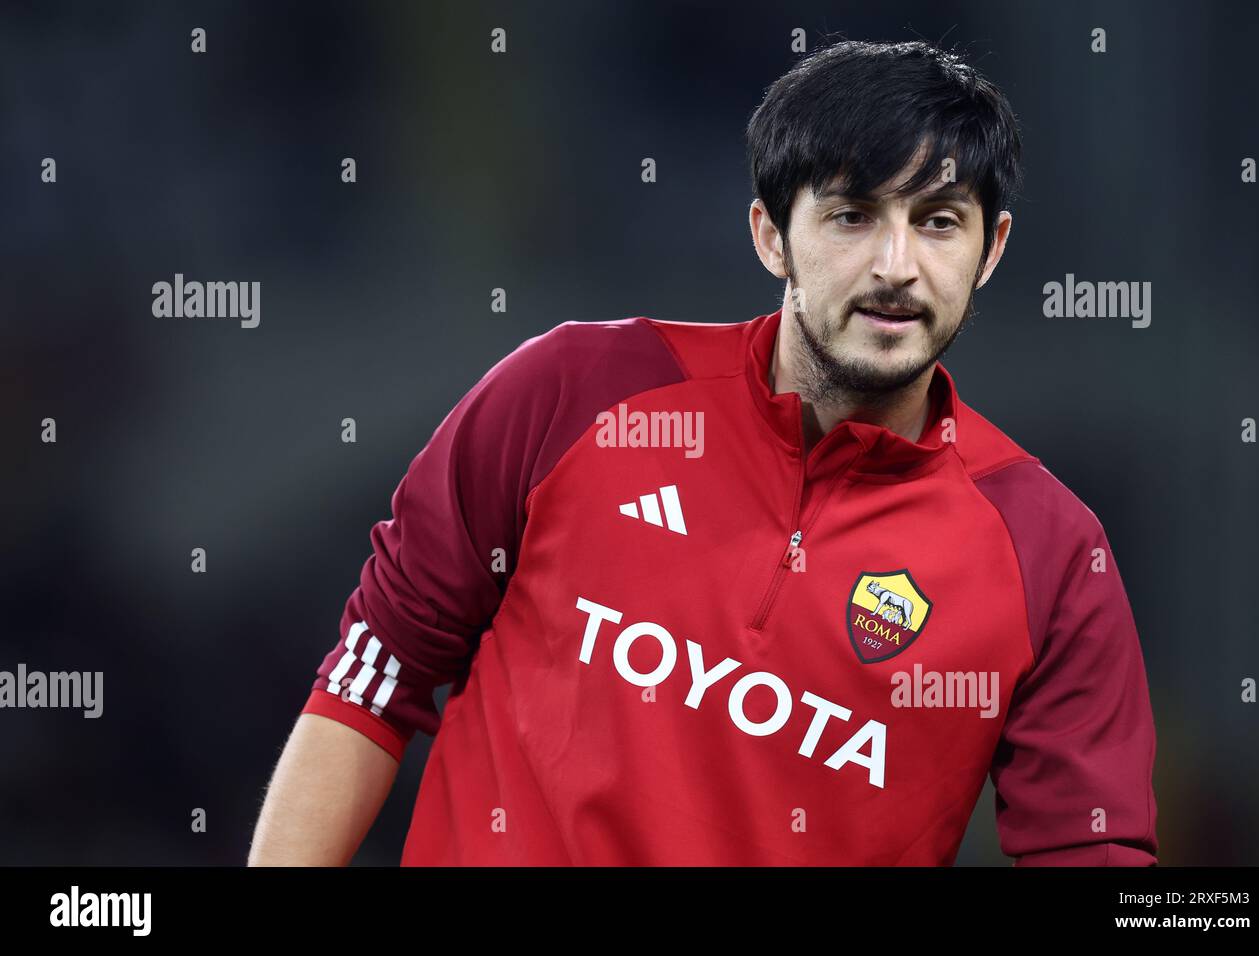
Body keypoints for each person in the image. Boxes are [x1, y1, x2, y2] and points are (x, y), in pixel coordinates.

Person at [249, 39, 1157, 866]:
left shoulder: (1049, 555)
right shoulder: (577, 389)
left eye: (939, 221)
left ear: (990, 250)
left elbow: (1095, 857)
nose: (896, 264)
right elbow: (378, 671)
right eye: (851, 215)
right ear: (771, 234)